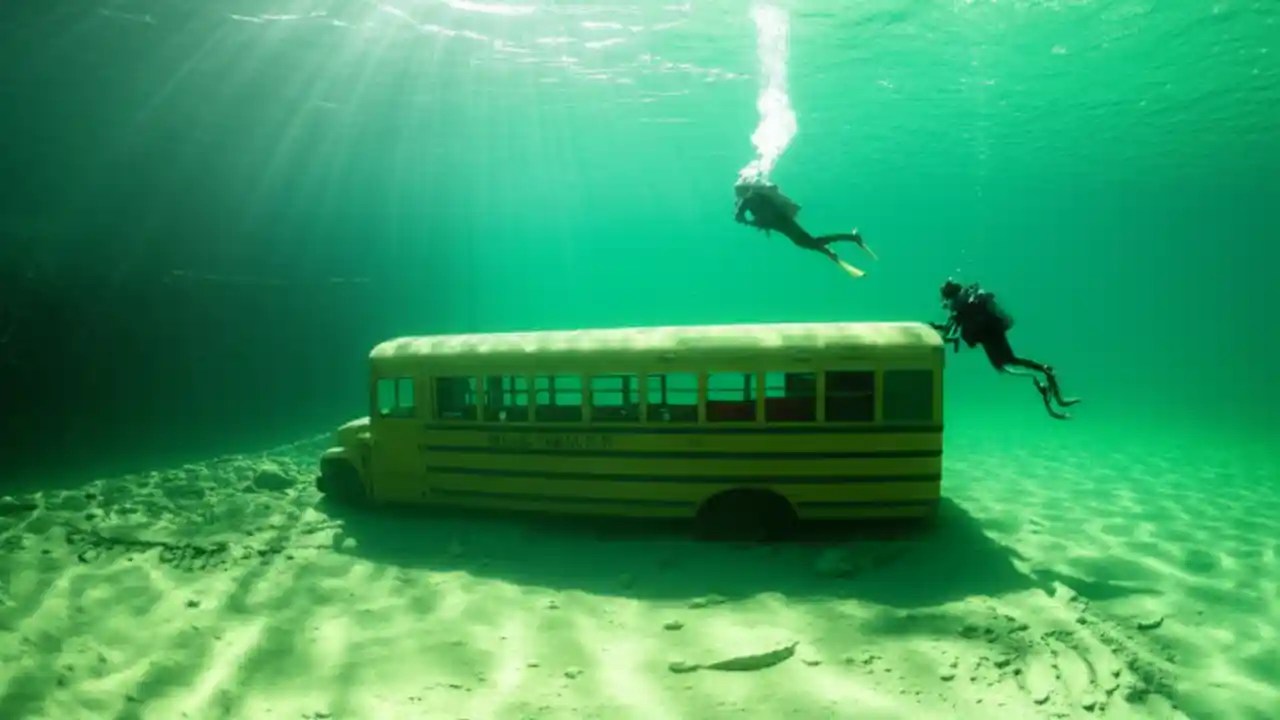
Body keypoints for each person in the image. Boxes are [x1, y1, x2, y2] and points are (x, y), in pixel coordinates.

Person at [928, 278, 1081, 420]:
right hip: (995, 331)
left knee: (1004, 367)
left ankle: (1041, 382)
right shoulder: (970, 302)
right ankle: (1048, 377)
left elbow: (950, 331)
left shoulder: (959, 308)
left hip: (987, 336)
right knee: (1011, 360)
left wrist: (936, 331)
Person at [733, 177, 876, 278]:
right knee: (807, 242)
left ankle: (845, 242)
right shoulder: (756, 198)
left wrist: (746, 220)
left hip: (782, 223)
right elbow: (758, 218)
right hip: (781, 222)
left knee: (808, 242)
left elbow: (740, 216)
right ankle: (837, 246)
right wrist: (751, 221)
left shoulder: (749, 198)